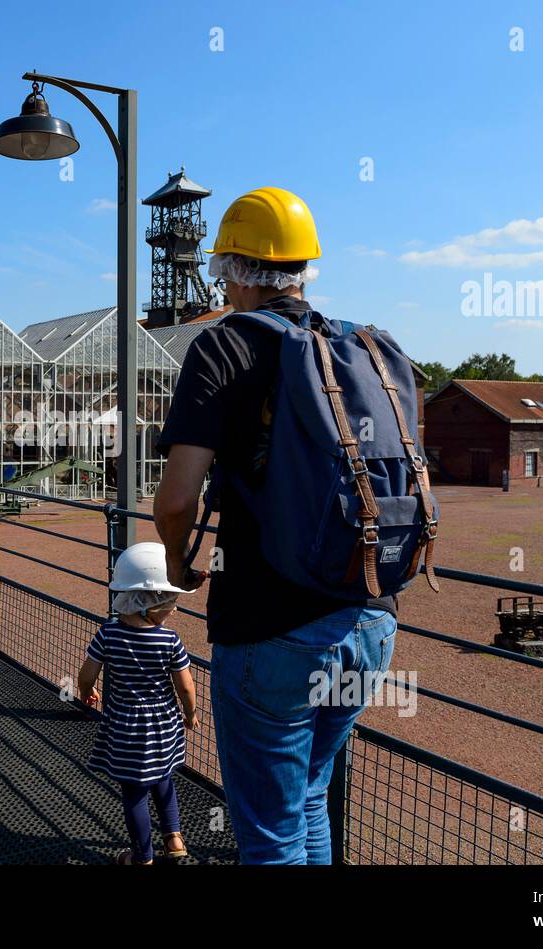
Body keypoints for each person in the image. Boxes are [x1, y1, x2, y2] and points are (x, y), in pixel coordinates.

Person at [153, 187, 398, 865]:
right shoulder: (354, 346)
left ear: (232, 268)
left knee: (267, 835)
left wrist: (175, 566)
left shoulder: (222, 347)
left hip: (271, 627)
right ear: (302, 269)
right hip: (370, 616)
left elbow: (175, 501)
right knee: (310, 797)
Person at [77, 541, 197, 865]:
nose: (175, 609)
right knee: (164, 777)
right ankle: (173, 837)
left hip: (125, 729)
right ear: (148, 603)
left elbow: (86, 674)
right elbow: (185, 686)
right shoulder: (170, 641)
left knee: (133, 792)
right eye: (171, 602)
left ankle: (142, 856)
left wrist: (87, 692)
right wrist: (190, 713)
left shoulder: (109, 633)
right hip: (164, 726)